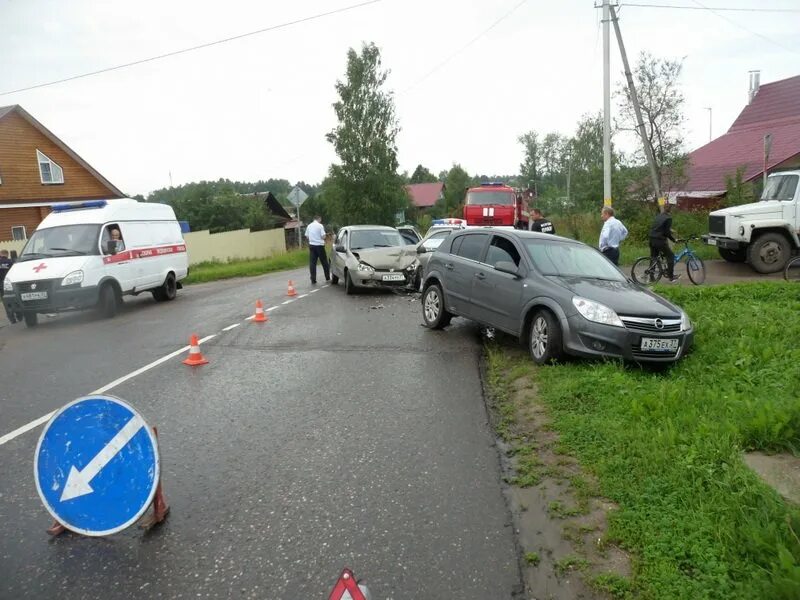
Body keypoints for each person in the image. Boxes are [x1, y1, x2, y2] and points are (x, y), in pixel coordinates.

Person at [650, 203, 680, 282]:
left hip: (652, 238)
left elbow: (659, 227)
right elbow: (666, 233)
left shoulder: (659, 216)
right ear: (670, 209)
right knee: (670, 256)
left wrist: (670, 230)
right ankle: (671, 276)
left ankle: (651, 277)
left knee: (654, 257)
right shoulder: (668, 218)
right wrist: (674, 240)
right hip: (660, 240)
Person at [305, 215, 330, 285]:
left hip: (312, 246)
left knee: (312, 263)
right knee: (324, 262)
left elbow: (307, 236)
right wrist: (325, 236)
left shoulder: (309, 226)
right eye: (320, 220)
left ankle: (313, 279)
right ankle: (327, 277)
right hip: (320, 246)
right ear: (319, 219)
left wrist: (312, 238)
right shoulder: (320, 226)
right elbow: (323, 236)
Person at [1, 249, 19, 324]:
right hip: (11, 284)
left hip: (1, 285)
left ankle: (12, 319)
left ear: (1, 254)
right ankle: (19, 315)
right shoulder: (11, 262)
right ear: (7, 254)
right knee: (15, 299)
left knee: (6, 303)